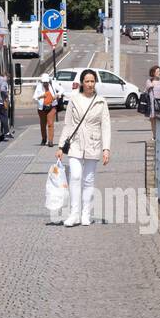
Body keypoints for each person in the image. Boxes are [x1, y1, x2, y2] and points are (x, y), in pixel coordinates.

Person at [57, 69, 111, 227]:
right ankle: (74, 214)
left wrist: (106, 149)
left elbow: (106, 126)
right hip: (75, 143)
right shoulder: (74, 100)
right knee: (75, 176)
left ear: (95, 83)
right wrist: (61, 146)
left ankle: (86, 214)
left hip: (93, 143)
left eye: (92, 81)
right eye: (87, 81)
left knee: (88, 180)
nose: (89, 84)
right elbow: (68, 124)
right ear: (82, 83)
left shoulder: (101, 101)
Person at [33, 72, 58, 146]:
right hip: (42, 108)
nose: (45, 84)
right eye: (44, 82)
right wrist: (40, 97)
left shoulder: (53, 84)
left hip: (52, 107)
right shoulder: (39, 86)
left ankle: (50, 141)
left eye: (46, 82)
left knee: (50, 124)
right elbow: (34, 97)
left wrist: (58, 95)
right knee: (43, 124)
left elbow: (61, 90)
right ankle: (44, 139)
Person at [0, 71, 13, 139]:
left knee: (1, 117)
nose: (8, 79)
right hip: (2, 102)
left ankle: (4, 132)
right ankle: (7, 132)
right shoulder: (4, 82)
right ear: (5, 76)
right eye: (8, 78)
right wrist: (6, 94)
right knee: (5, 118)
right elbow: (2, 89)